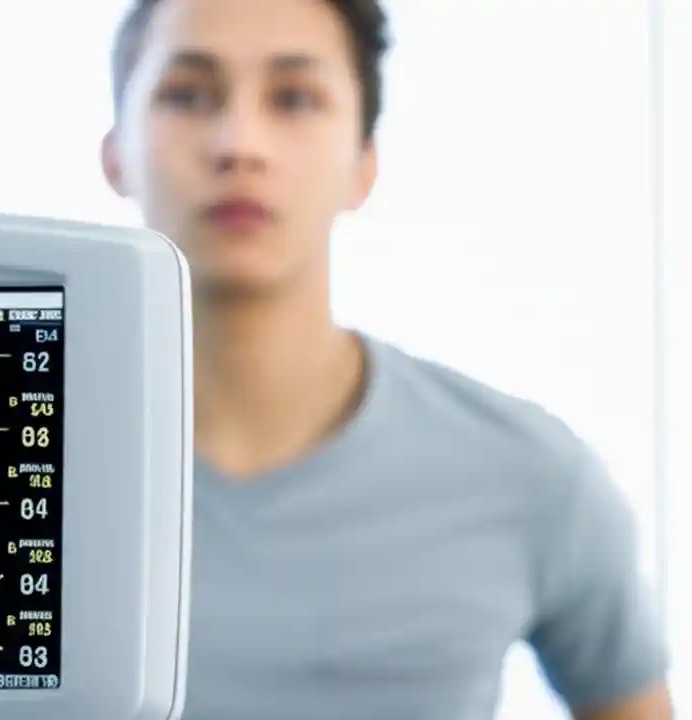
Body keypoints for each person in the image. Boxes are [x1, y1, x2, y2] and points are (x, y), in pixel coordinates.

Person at [98, 0, 672, 717]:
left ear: (363, 163)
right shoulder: (9, 472)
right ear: (116, 152)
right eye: (186, 94)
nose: (239, 143)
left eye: (295, 99)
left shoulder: (534, 476)